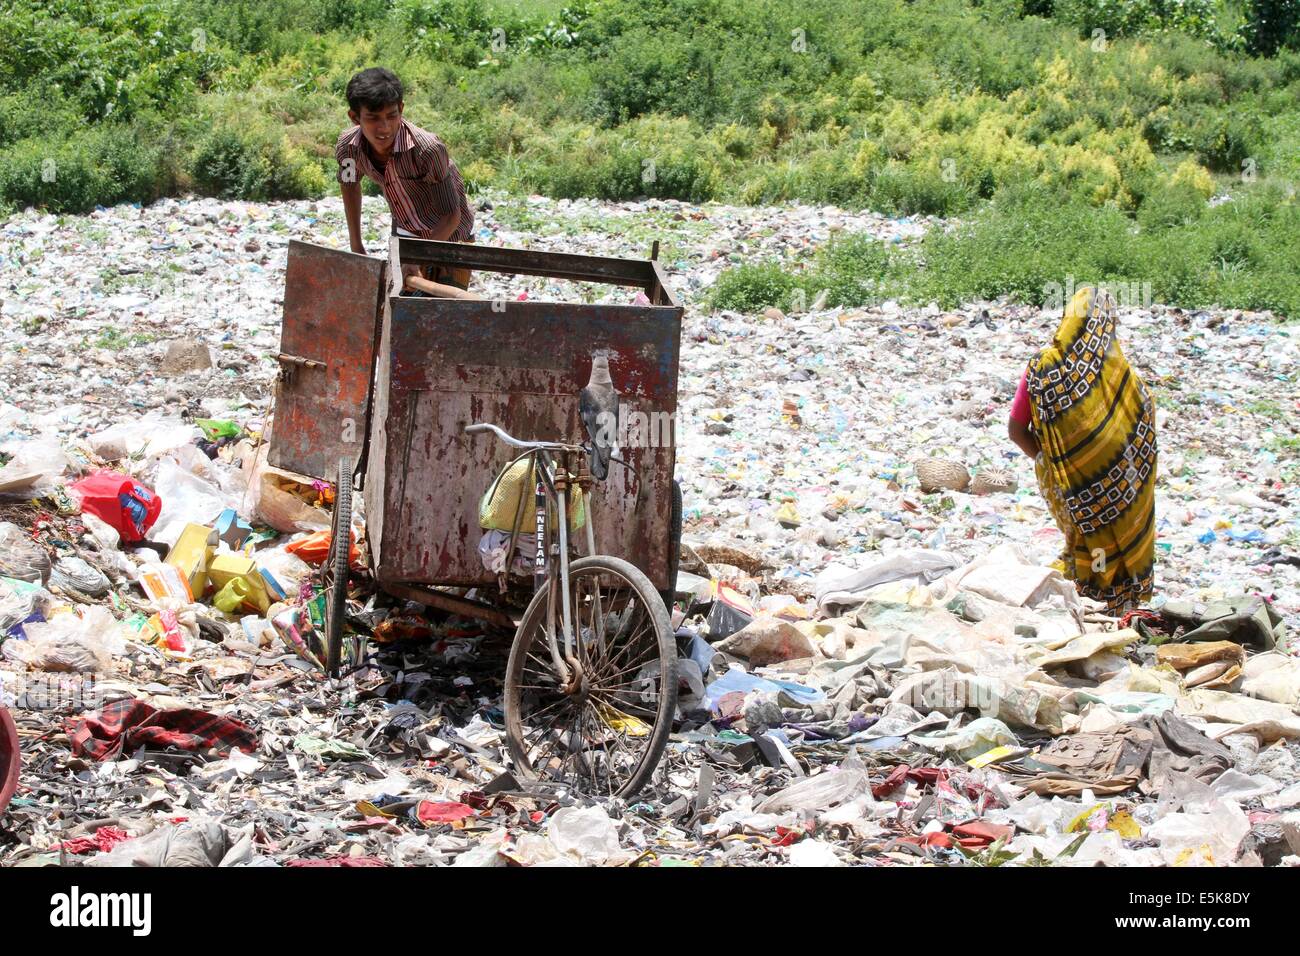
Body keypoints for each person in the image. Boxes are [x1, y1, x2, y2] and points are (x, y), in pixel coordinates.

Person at [1008, 286, 1157, 613]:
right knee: (1109, 538)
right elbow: (1141, 436)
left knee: (1083, 539)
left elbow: (1016, 430)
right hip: (1119, 491)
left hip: (1064, 487)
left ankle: (1086, 590)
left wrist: (1052, 463)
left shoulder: (1041, 370)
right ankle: (1114, 597)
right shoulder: (1125, 380)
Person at [335, 67, 475, 290]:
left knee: (441, 313)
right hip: (406, 230)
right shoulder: (349, 148)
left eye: (392, 116)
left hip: (449, 236)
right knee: (394, 308)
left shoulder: (427, 150)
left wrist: (417, 257)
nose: (385, 128)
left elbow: (451, 216)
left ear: (401, 109)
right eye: (373, 118)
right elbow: (350, 185)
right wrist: (356, 246)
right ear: (354, 117)